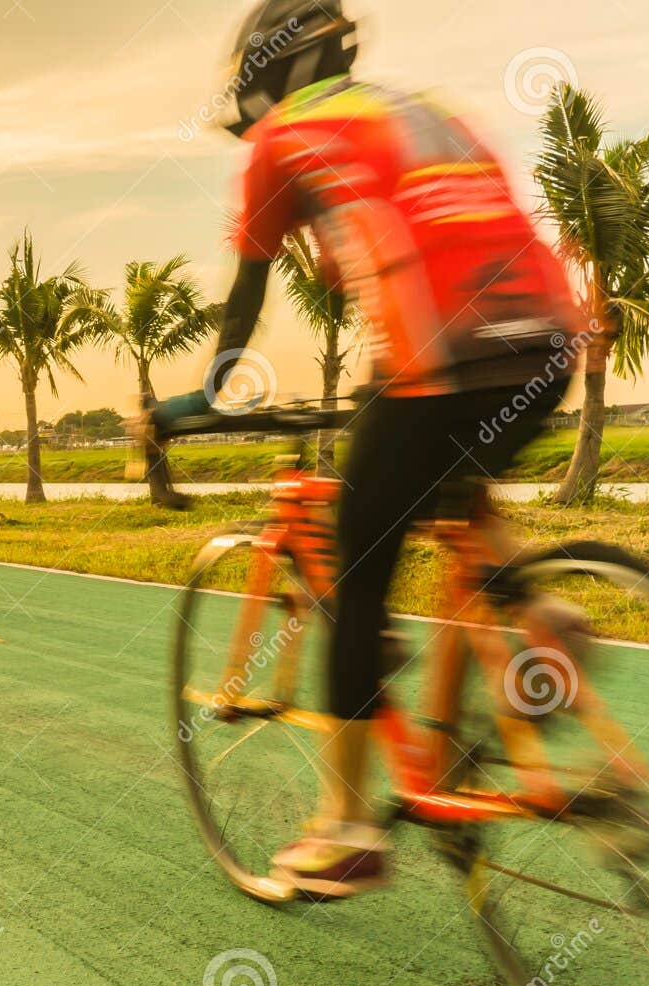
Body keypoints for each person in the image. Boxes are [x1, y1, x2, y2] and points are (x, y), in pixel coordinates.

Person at [149, 0, 585, 898]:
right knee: (458, 495)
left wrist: (195, 401)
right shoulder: (429, 111)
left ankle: (347, 828)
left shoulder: (282, 140)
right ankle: (541, 628)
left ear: (267, 75)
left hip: (446, 357)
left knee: (356, 572)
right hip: (545, 343)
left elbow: (244, 303)